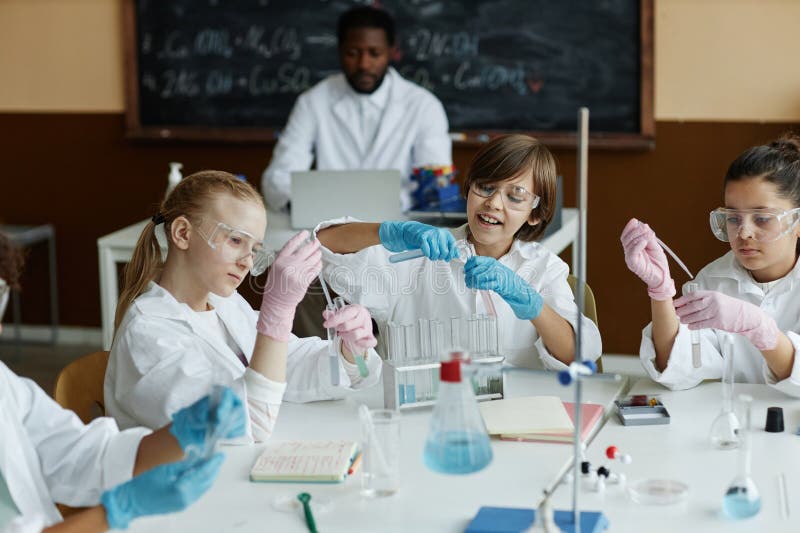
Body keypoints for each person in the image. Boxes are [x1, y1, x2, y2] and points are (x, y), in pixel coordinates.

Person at [104, 171, 381, 441]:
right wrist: (277, 315)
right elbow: (249, 422)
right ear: (183, 233)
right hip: (188, 471)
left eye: (254, 249)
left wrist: (351, 353)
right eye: (235, 240)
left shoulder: (224, 303)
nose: (247, 262)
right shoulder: (147, 333)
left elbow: (286, 363)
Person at [0, 231, 246, 533]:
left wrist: (180, 434)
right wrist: (117, 510)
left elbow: (82, 456)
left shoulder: (5, 386)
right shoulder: (147, 324)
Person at [316, 134, 602, 369]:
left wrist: (531, 303)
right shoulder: (418, 255)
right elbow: (322, 245)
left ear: (535, 214)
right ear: (468, 189)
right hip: (423, 407)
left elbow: (579, 356)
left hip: (511, 412)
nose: (494, 203)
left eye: (515, 196)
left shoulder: (543, 268)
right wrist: (391, 233)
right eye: (485, 187)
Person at [621, 135, 800, 397]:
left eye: (762, 218)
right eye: (733, 218)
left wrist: (760, 328)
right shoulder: (713, 280)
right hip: (734, 416)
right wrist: (661, 293)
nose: (744, 232)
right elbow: (681, 369)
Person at [261, 5, 451, 212]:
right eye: (352, 53)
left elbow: (436, 181)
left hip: (400, 222)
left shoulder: (424, 106)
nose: (364, 64)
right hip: (327, 220)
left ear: (391, 52)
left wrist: (393, 202)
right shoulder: (313, 102)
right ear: (339, 51)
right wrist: (301, 204)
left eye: (375, 53)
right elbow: (278, 177)